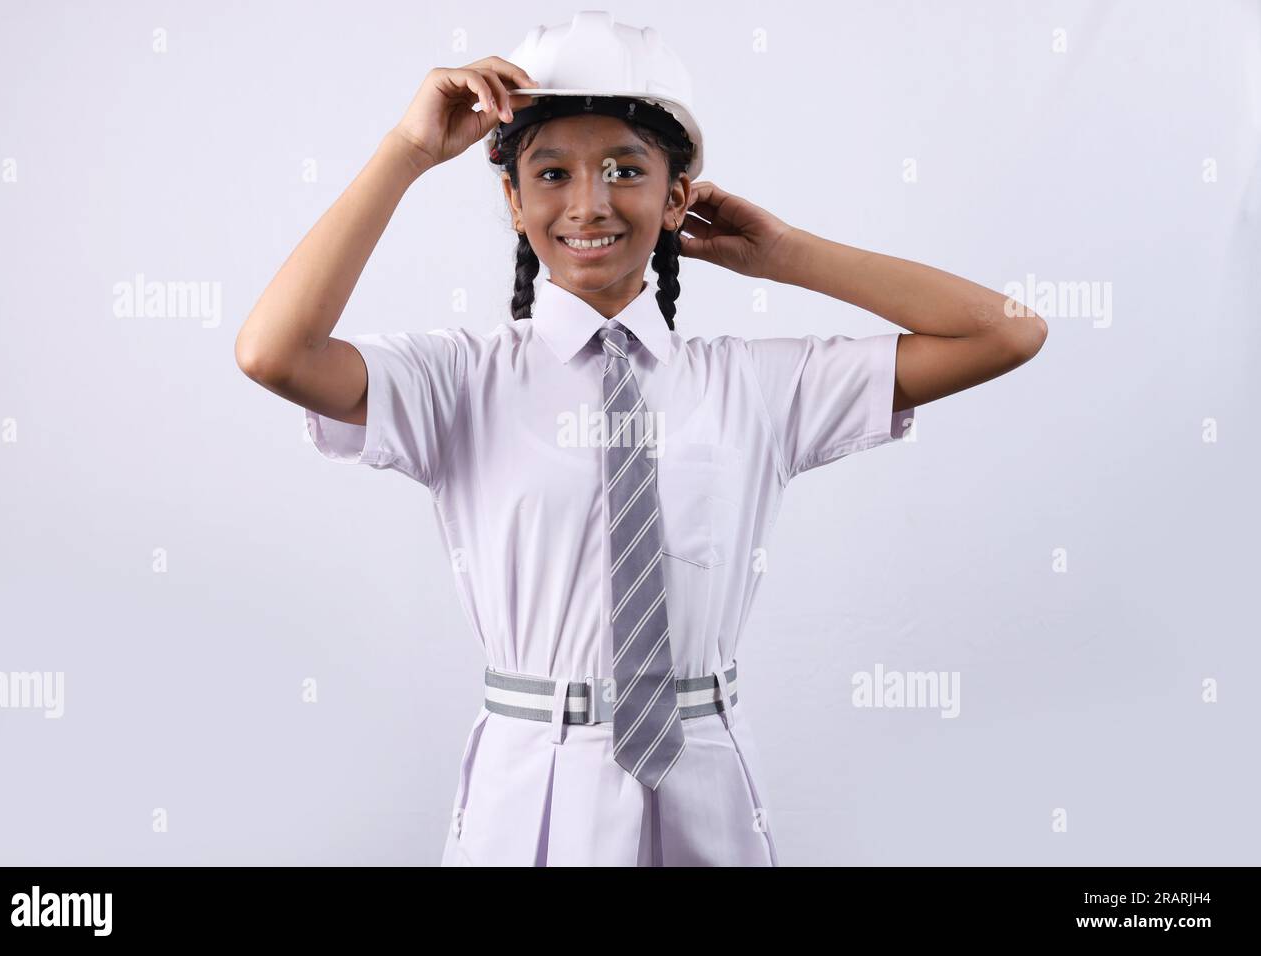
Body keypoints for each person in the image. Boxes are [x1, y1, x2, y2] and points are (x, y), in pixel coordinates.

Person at [234, 12, 1046, 866]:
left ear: (675, 197)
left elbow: (1008, 332)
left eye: (626, 169)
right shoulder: (459, 381)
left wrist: (784, 254)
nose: (589, 203)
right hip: (532, 787)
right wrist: (406, 150)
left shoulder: (756, 386)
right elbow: (273, 352)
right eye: (551, 173)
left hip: (707, 783)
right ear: (514, 202)